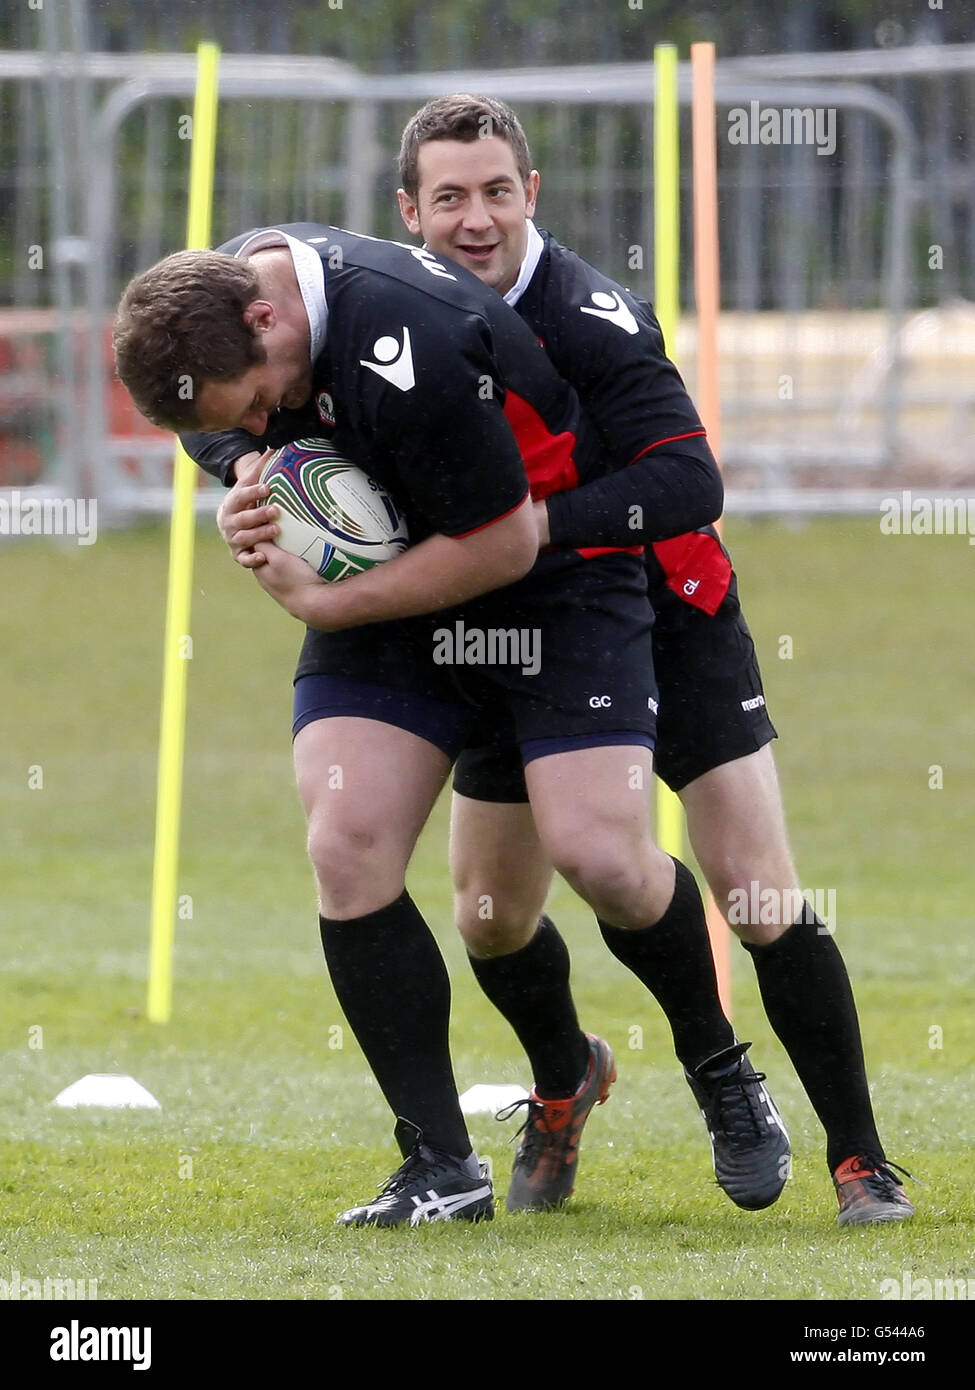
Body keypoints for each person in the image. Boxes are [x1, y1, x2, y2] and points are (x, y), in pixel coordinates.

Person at [114, 222, 787, 1227]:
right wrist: (246, 479)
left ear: (270, 318)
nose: (257, 419)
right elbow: (215, 424)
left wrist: (334, 603)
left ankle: (718, 1067)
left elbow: (506, 543)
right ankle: (440, 1162)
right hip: (401, 569)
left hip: (544, 577)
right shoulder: (213, 303)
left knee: (602, 856)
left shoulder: (412, 335)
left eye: (259, 400)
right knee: (347, 843)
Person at [389, 93, 914, 1227]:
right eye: (449, 198)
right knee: (486, 911)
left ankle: (857, 1159)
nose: (475, 219)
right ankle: (566, 1079)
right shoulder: (399, 315)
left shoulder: (590, 313)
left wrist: (536, 526)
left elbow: (691, 482)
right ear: (410, 211)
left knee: (761, 889)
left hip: (672, 614)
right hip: (515, 632)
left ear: (531, 195)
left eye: (495, 193)